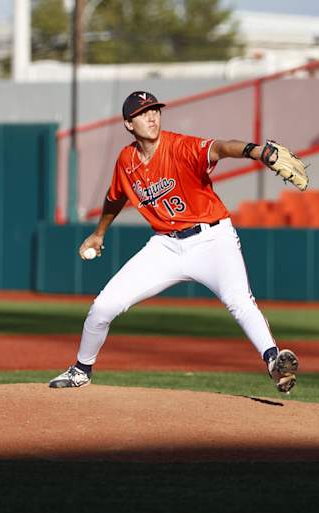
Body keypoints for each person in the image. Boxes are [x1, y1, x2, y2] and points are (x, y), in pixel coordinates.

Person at [49, 91, 301, 392]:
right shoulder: (126, 160)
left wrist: (255, 151)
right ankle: (81, 370)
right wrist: (99, 232)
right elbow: (114, 197)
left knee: (240, 302)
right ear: (129, 124)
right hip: (166, 245)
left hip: (212, 239)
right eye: (143, 113)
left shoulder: (180, 146)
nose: (152, 116)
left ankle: (274, 363)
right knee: (103, 306)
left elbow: (219, 148)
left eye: (155, 110)